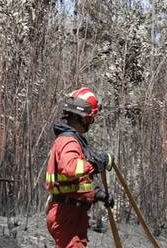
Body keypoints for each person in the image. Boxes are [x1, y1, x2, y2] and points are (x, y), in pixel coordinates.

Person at [45, 87, 111, 248]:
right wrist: (95, 164)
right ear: (84, 117)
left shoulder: (71, 140)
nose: (91, 122)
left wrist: (96, 193)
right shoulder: (69, 141)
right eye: (91, 118)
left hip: (71, 214)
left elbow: (70, 184)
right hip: (67, 215)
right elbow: (69, 169)